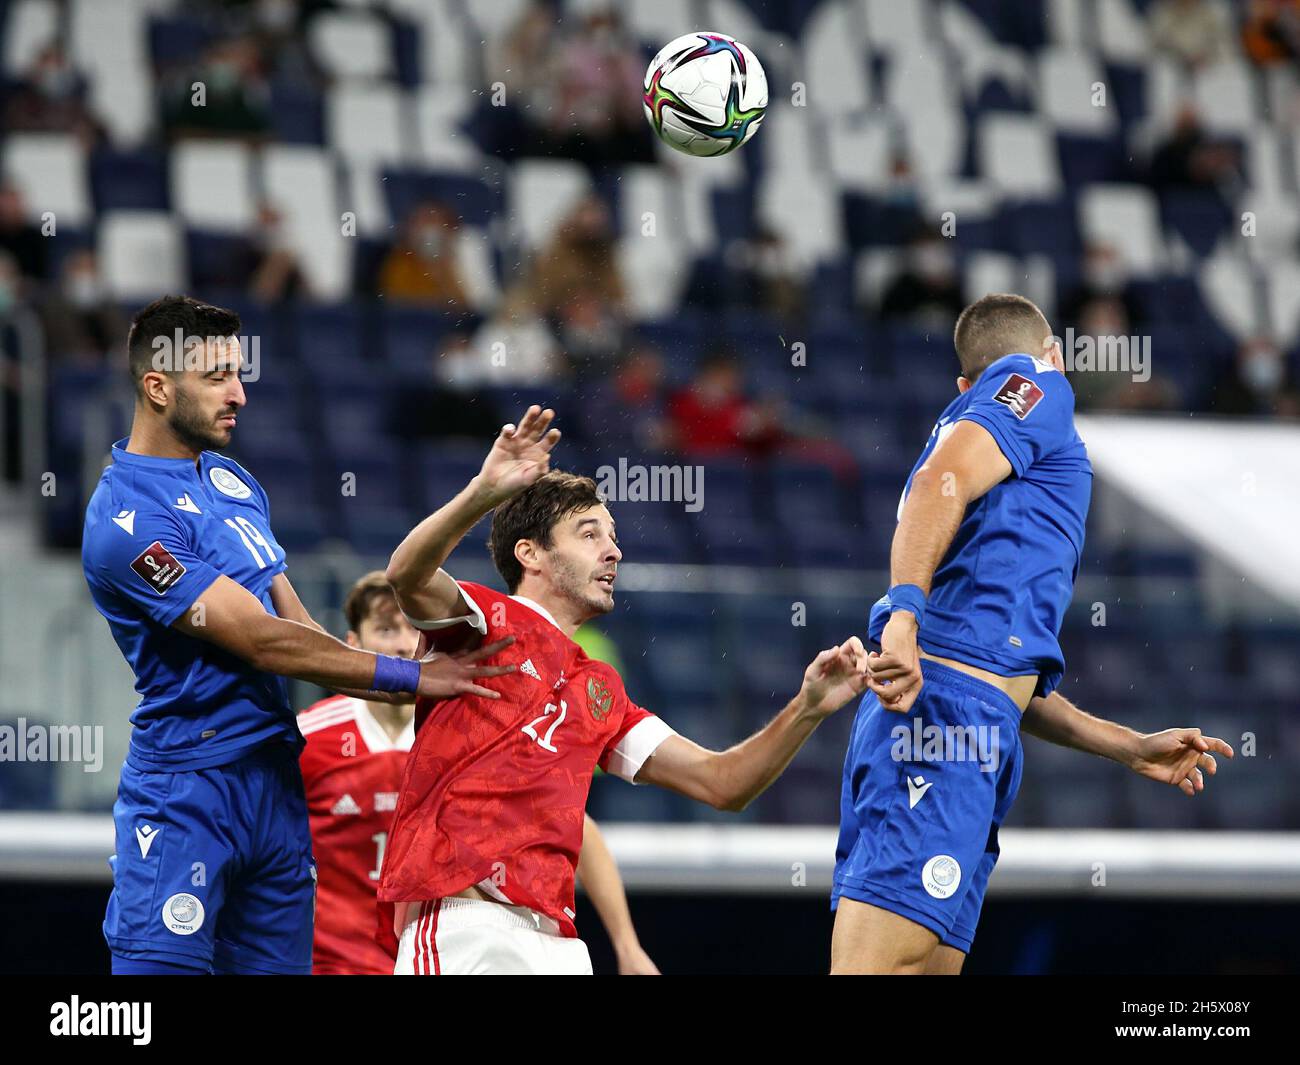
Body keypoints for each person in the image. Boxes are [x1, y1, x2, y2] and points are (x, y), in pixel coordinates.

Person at [80, 295, 516, 976]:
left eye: (239, 373)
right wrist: (410, 677)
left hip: (277, 785)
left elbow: (301, 631)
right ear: (157, 386)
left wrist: (413, 677)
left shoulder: (233, 481)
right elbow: (262, 641)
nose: (241, 394)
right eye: (219, 375)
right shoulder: (125, 522)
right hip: (187, 790)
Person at [378, 405, 869, 974]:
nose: (614, 552)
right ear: (530, 554)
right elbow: (406, 574)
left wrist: (807, 708)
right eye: (590, 535)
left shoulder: (600, 688)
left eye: (612, 538)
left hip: (559, 944)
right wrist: (484, 491)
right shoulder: (483, 619)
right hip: (467, 924)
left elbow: (723, 784)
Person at [833, 293, 1235, 974]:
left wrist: (1129, 746)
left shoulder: (988, 443)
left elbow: (1002, 676)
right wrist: (903, 613)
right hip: (945, 725)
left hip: (973, 721)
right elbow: (940, 481)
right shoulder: (1036, 385)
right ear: (1053, 354)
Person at [300, 571, 658, 975]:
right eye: (384, 630)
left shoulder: (474, 728)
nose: (402, 643)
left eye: (410, 628)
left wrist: (627, 946)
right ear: (353, 644)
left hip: (444, 947)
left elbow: (578, 830)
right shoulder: (311, 738)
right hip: (339, 964)